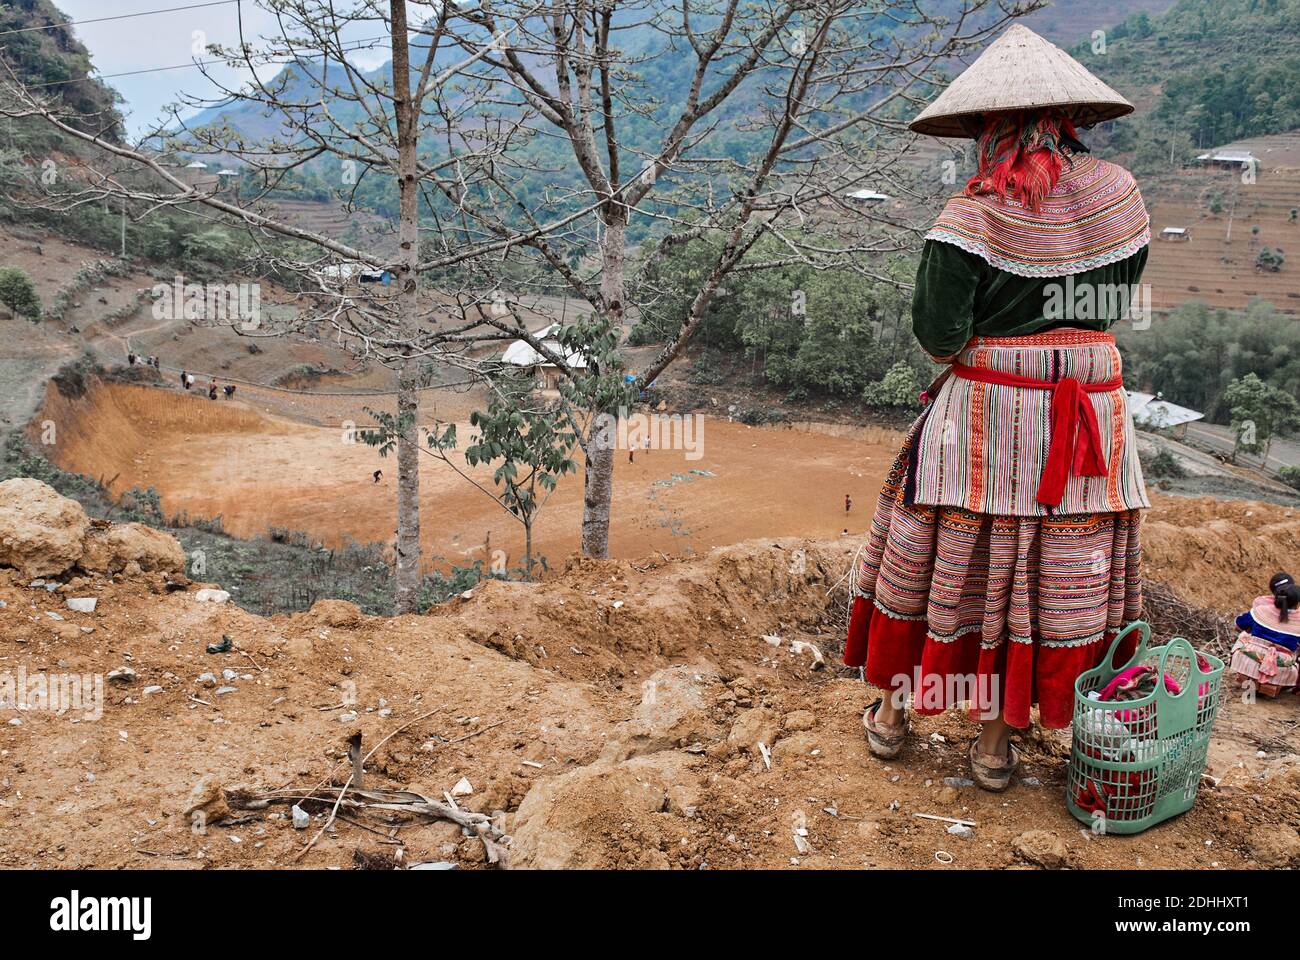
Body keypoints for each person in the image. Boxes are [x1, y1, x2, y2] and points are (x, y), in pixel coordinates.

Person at [844, 25, 1150, 792]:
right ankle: (993, 744)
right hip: (1087, 416)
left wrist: (998, 349)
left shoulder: (974, 214)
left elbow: (939, 332)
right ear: (1069, 117)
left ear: (988, 126)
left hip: (991, 412)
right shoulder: (1122, 196)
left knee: (949, 556)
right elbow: (1109, 302)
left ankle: (893, 715)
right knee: (1043, 567)